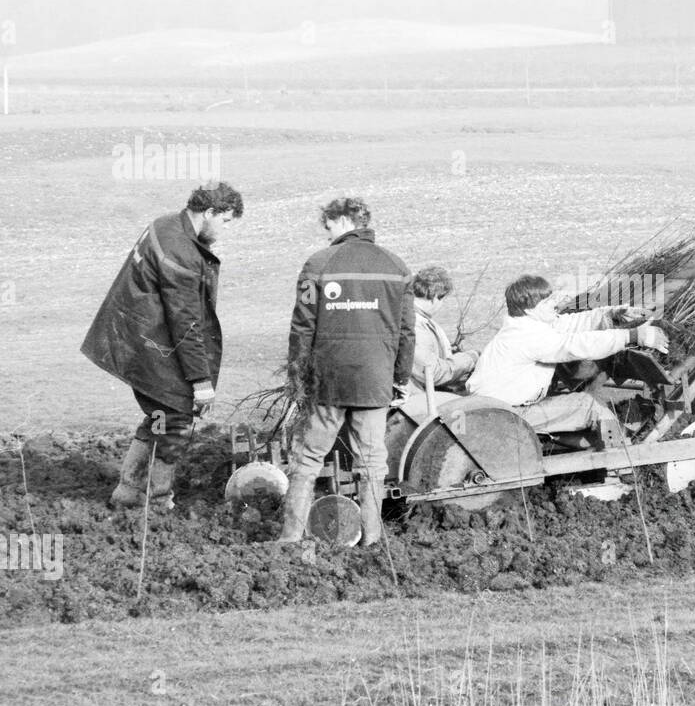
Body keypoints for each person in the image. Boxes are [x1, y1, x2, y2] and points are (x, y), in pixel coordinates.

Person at [82, 182, 244, 510]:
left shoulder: (165, 224)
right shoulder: (181, 253)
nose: (224, 230)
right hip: (149, 345)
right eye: (225, 221)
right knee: (176, 421)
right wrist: (201, 382)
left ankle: (128, 491)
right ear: (209, 212)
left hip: (134, 337)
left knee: (159, 414)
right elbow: (186, 323)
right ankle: (157, 501)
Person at [277, 197, 416, 546]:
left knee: (307, 459)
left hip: (328, 381)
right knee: (372, 463)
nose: (326, 234)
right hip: (375, 380)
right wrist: (400, 379)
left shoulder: (318, 264)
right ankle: (372, 540)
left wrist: (297, 378)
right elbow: (406, 332)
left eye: (328, 226)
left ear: (342, 220)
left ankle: (290, 539)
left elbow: (302, 327)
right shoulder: (397, 267)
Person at [466, 274, 669, 441]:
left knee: (579, 406)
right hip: (504, 416)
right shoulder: (526, 337)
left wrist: (611, 314)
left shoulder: (525, 324)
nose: (554, 304)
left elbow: (568, 323)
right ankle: (623, 458)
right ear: (529, 310)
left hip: (490, 411)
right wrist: (631, 336)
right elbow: (575, 345)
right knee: (587, 406)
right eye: (546, 302)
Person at [408, 266, 478, 399]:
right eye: (443, 299)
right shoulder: (414, 325)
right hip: (419, 399)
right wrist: (470, 358)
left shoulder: (419, 319)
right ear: (435, 297)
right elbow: (432, 373)